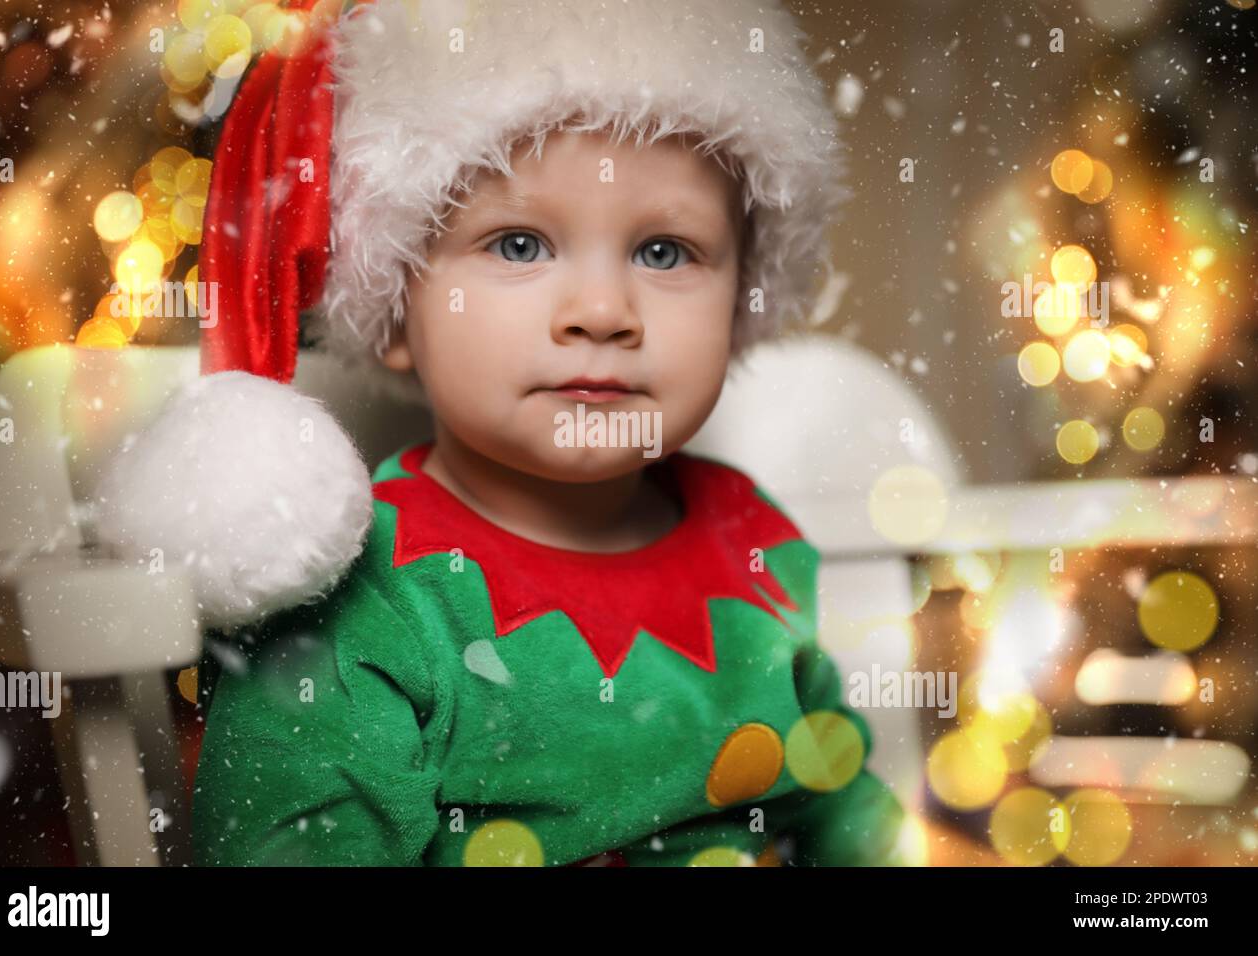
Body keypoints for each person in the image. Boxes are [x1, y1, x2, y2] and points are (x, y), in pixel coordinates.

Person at [97, 0, 909, 866]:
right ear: (399, 311)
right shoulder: (365, 595)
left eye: (666, 252)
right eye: (519, 245)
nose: (602, 312)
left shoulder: (754, 541)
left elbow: (844, 795)